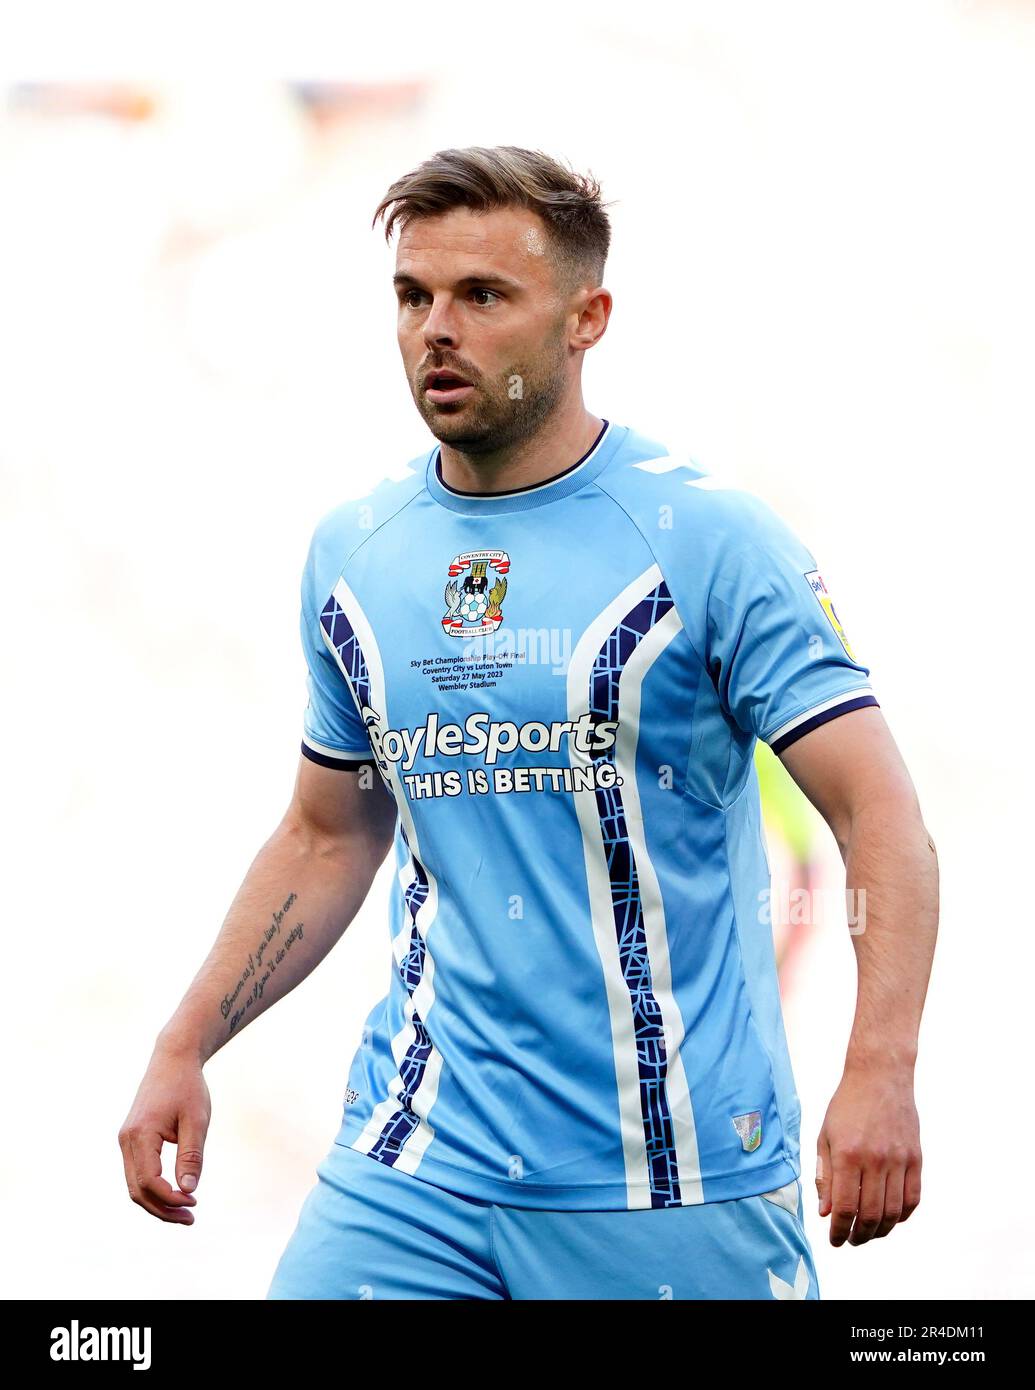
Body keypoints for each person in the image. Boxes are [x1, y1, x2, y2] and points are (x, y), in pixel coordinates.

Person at [119, 146, 939, 1301]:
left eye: (483, 296)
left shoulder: (709, 539)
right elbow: (326, 835)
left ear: (586, 317)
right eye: (414, 297)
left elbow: (881, 818)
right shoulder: (357, 552)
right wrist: (186, 1040)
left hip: (669, 1186)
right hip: (413, 1170)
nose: (436, 329)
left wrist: (882, 1071)